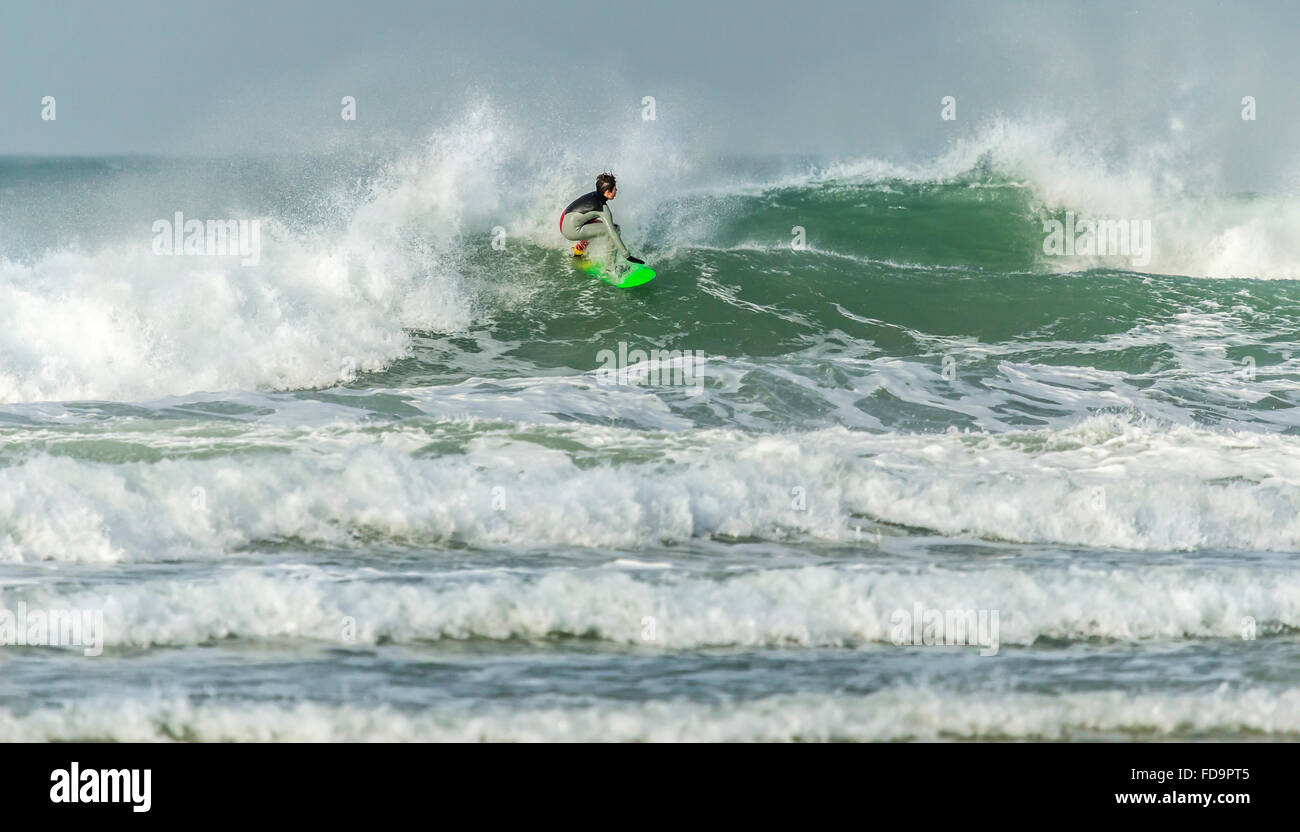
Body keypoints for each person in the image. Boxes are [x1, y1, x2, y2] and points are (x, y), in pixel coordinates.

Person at [559, 172, 645, 264]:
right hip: (571, 231)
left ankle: (578, 250)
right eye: (615, 189)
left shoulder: (593, 195)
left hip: (563, 221)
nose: (616, 191)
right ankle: (610, 268)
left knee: (598, 225)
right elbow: (613, 233)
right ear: (608, 192)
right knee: (614, 228)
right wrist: (627, 256)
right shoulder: (602, 209)